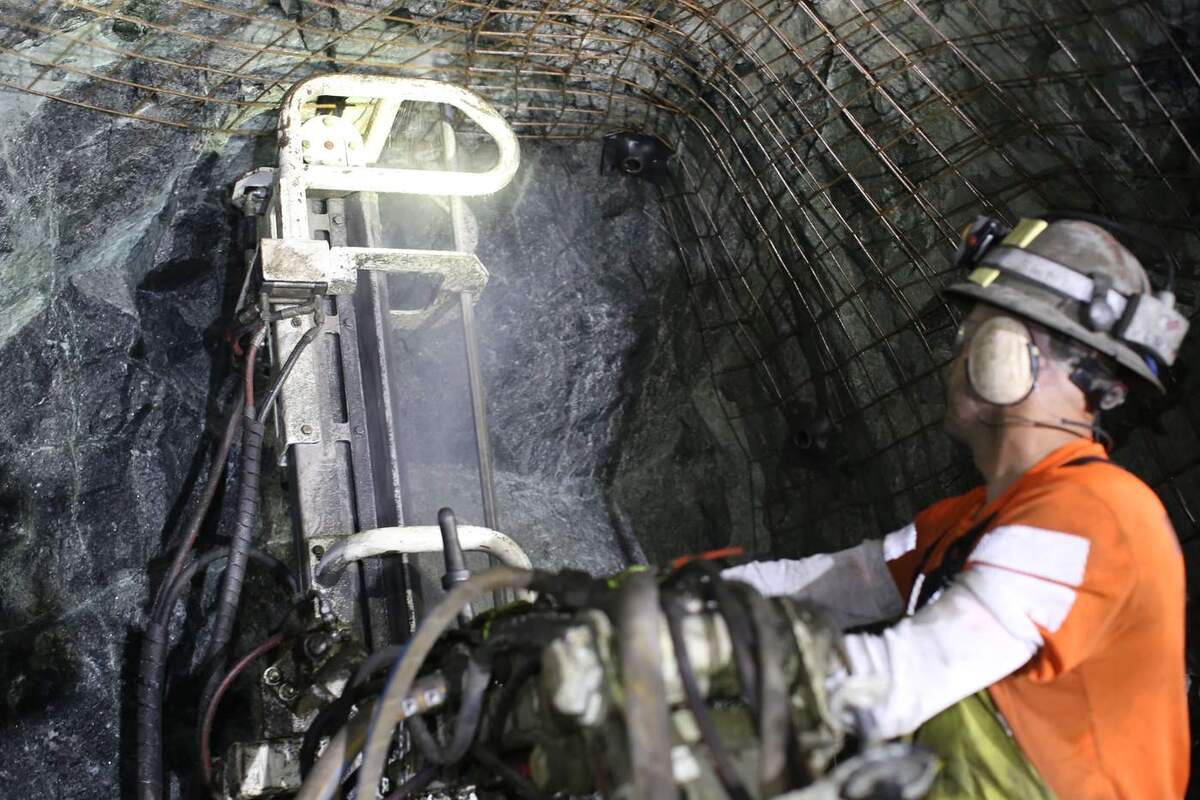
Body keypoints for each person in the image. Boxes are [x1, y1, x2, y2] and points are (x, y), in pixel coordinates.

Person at [725, 216, 1191, 798]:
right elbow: (828, 585)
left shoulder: (1100, 516)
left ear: (1007, 357)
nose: (955, 361)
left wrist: (669, 644)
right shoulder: (980, 520)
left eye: (972, 335)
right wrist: (680, 596)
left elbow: (894, 686)